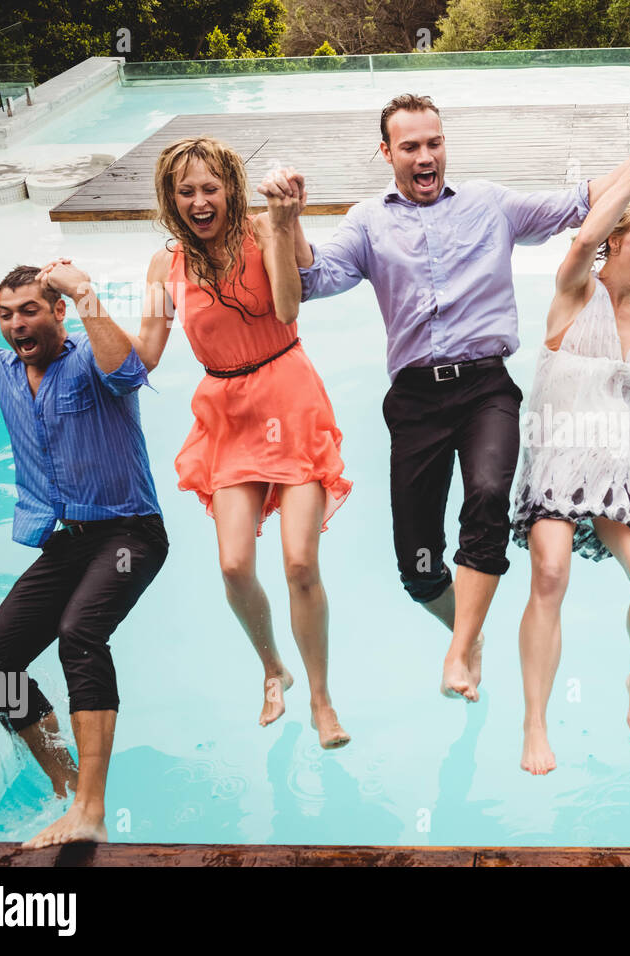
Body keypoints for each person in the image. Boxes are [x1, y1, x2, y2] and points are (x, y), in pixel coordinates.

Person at [265, 93, 630, 702]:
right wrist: (287, 218)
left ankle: (460, 649)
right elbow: (309, 281)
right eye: (410, 146)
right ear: (387, 153)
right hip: (413, 399)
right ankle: (465, 630)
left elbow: (579, 202)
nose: (425, 155)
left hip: (487, 386)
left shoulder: (490, 204)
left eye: (434, 143)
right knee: (418, 565)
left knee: (487, 496)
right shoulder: (366, 222)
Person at [0, 262, 169, 848]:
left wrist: (86, 291)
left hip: (132, 534)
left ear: (58, 312)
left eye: (30, 310)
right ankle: (63, 789)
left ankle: (91, 807)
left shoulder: (90, 357)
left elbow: (131, 371)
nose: (16, 325)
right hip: (70, 543)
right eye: (6, 314)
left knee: (79, 634)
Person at [137, 136, 353, 748]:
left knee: (300, 561)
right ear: (170, 198)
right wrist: (84, 309)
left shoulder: (265, 229)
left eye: (211, 187)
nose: (200, 201)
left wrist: (286, 225)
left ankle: (320, 698)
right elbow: (145, 355)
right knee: (233, 565)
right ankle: (272, 667)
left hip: (288, 394)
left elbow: (288, 306)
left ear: (231, 186)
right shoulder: (165, 265)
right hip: (226, 413)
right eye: (186, 191)